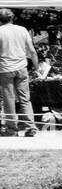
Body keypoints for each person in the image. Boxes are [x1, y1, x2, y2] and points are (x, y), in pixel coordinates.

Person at [0, 8, 39, 137]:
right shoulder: (22, 30)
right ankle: (31, 127)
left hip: (5, 69)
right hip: (22, 68)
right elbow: (32, 51)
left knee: (9, 100)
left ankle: (12, 129)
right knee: (25, 99)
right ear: (12, 18)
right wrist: (37, 66)